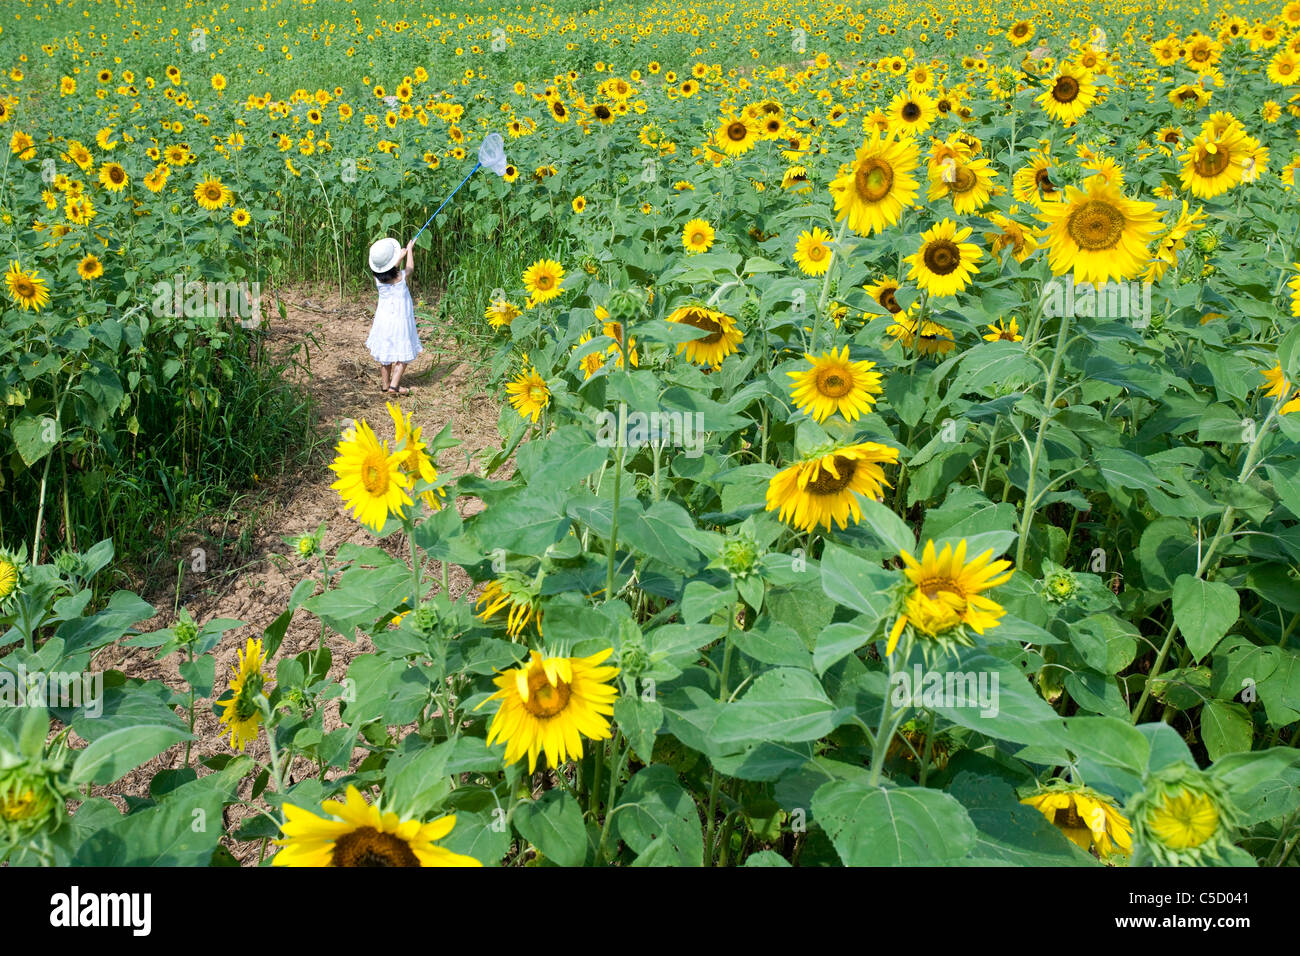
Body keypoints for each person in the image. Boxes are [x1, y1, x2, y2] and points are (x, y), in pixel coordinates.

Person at [365, 236, 421, 395]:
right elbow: (410, 267)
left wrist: (398, 258)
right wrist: (409, 250)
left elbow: (388, 269)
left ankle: (385, 384)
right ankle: (394, 386)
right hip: (401, 322)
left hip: (383, 321)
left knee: (386, 353)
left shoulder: (378, 279)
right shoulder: (401, 277)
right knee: (404, 351)